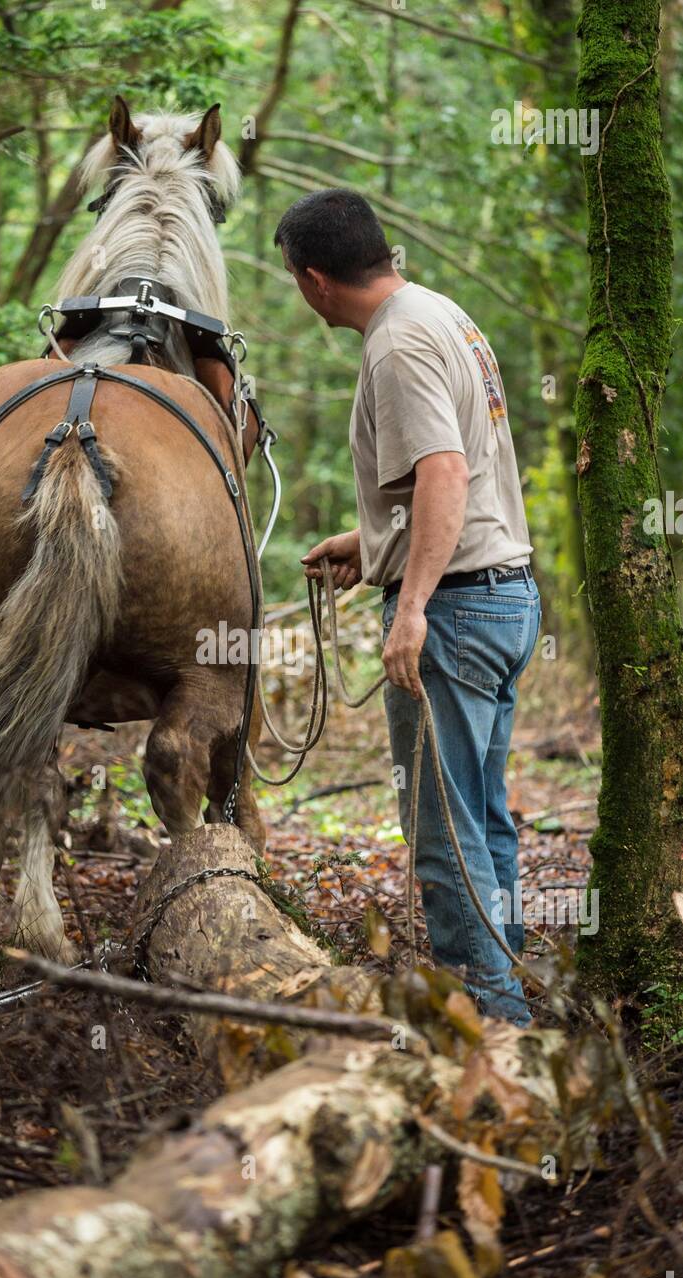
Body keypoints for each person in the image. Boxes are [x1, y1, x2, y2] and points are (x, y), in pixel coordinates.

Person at [274, 188, 540, 1026]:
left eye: (293, 280)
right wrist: (372, 544)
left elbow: (444, 473)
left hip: (457, 613)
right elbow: (462, 469)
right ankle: (511, 982)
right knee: (482, 814)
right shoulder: (440, 313)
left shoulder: (394, 348)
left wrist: (412, 603)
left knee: (442, 831)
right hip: (504, 596)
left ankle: (493, 1027)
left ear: (314, 279)